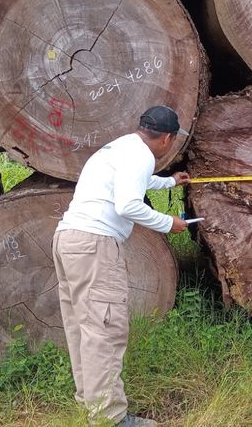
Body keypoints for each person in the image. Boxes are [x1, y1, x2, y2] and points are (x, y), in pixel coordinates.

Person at [53, 105, 192, 427]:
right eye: (173, 141)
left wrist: (169, 182)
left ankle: (91, 405)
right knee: (105, 331)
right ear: (167, 138)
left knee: (83, 329)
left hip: (69, 240)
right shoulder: (140, 155)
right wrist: (166, 222)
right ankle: (110, 418)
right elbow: (128, 203)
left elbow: (131, 183)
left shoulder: (120, 147)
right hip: (95, 245)